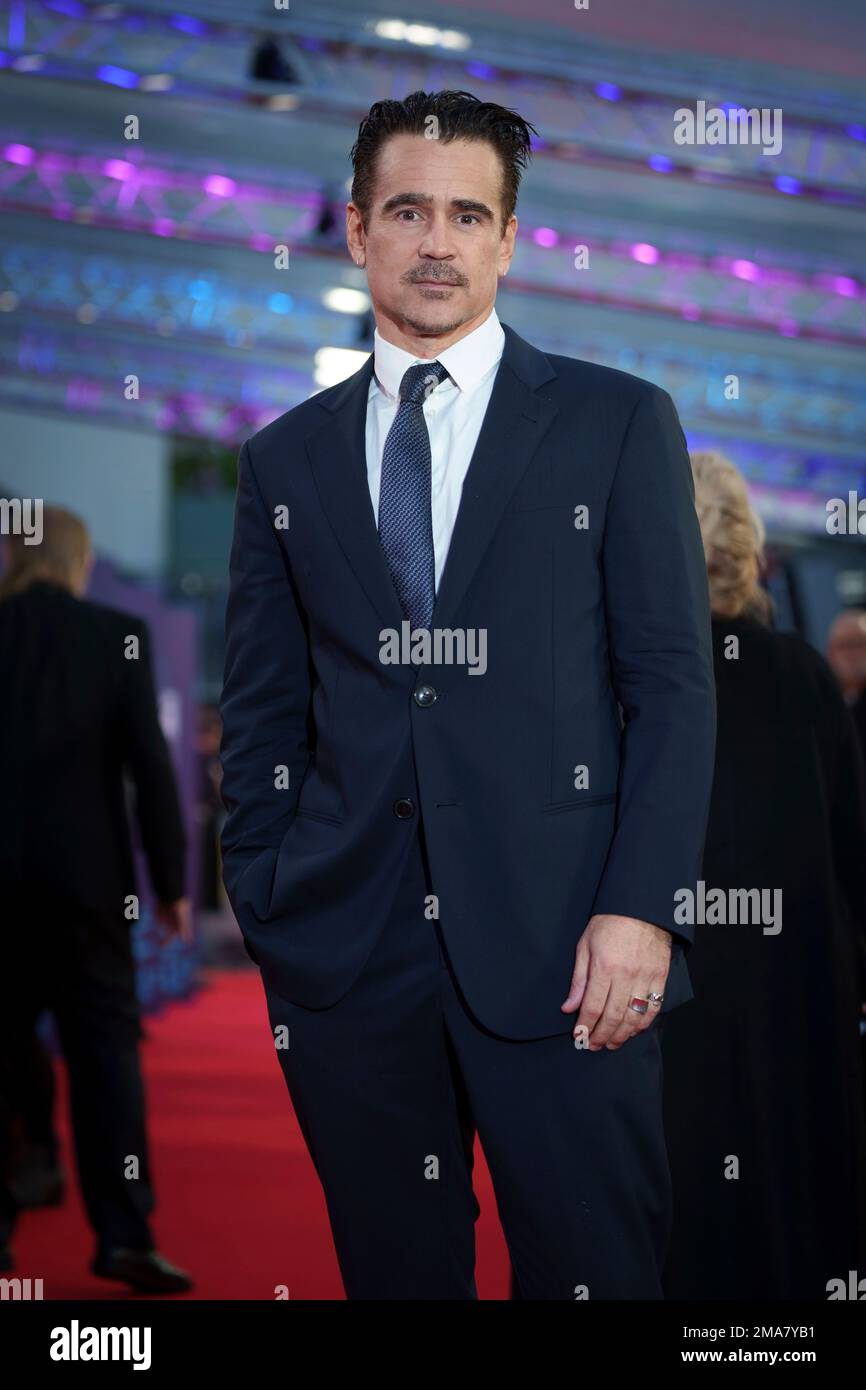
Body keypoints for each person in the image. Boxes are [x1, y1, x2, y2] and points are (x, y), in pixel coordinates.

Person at [219, 89, 716, 1300]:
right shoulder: (284, 457)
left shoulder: (614, 424)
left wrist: (640, 910)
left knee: (595, 1274)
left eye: (466, 214)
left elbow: (670, 685)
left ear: (505, 238)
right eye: (406, 210)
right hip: (351, 964)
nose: (436, 241)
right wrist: (273, 902)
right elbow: (265, 709)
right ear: (354, 229)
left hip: (571, 959)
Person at [660, 450, 866, 1300]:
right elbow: (853, 854)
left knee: (680, 1213)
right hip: (800, 1001)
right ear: (751, 553)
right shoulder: (807, 678)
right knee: (792, 1213)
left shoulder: (635, 680)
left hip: (667, 1003)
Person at [0, 505, 193, 1293]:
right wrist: (174, 885)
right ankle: (124, 1236)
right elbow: (149, 767)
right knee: (108, 1062)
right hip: (90, 892)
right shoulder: (116, 634)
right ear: (79, 560)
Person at [827, 609, 866, 758]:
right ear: (830, 653)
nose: (849, 653)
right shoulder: (826, 704)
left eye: (857, 643)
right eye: (842, 645)